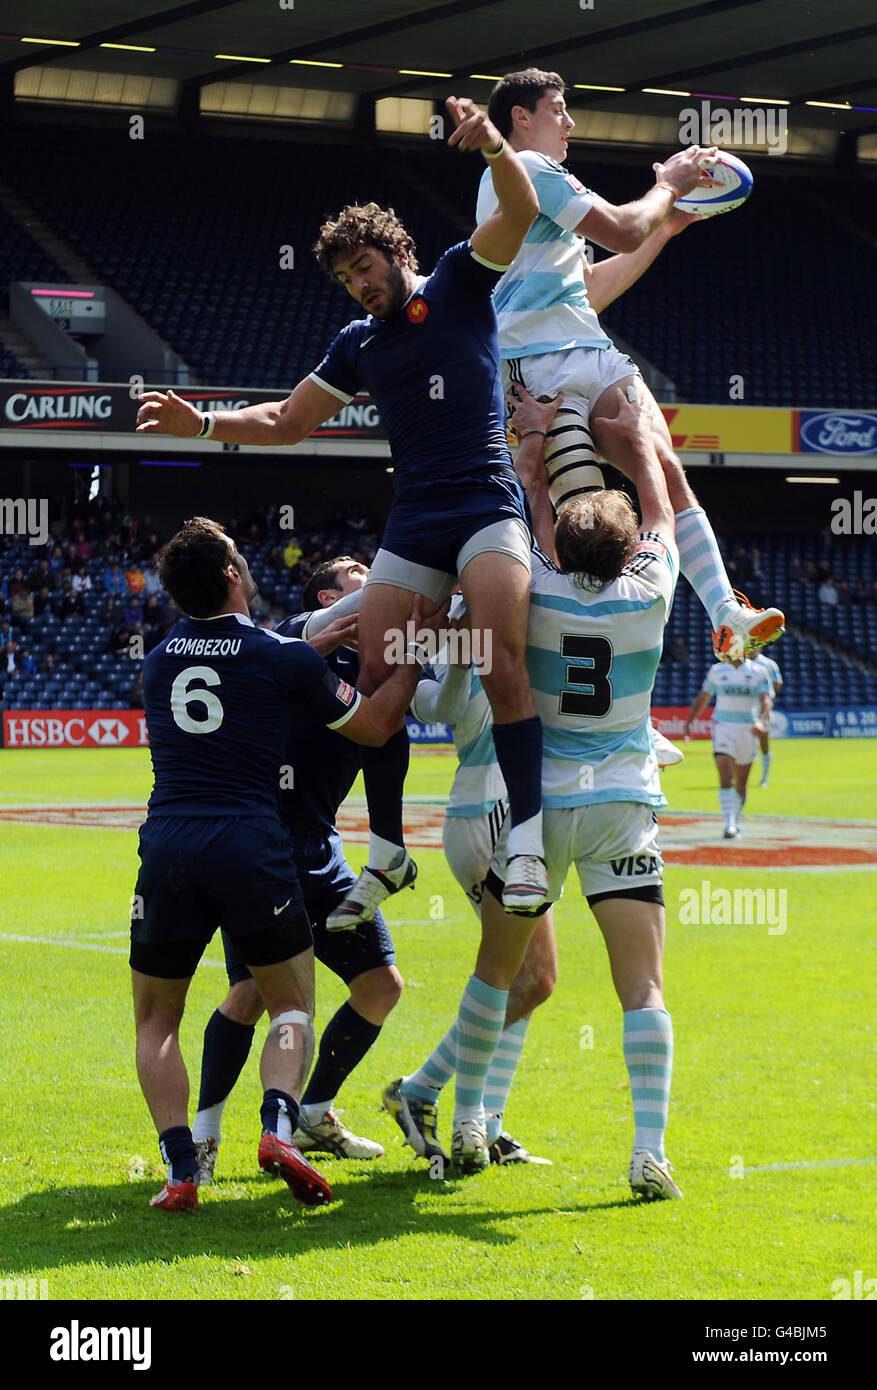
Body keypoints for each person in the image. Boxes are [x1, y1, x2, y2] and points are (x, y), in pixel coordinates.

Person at [135, 94, 551, 924]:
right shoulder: (355, 345)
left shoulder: (462, 283)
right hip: (417, 516)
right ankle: (389, 851)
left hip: (485, 502)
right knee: (371, 673)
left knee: (504, 659)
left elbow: (522, 208)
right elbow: (287, 422)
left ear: (397, 252)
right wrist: (204, 423)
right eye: (345, 278)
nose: (359, 286)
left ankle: (529, 844)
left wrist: (495, 146)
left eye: (365, 267)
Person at [388, 386, 685, 1195]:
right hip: (623, 806)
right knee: (643, 987)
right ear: (626, 554)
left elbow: (515, 543)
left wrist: (528, 457)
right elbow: (660, 516)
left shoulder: (535, 594)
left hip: (536, 811)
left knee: (497, 975)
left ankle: (453, 1113)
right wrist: (641, 448)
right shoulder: (649, 592)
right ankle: (647, 1152)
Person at [129, 516, 435, 1211]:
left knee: (156, 1022)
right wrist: (410, 654)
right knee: (290, 1002)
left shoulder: (158, 660)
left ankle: (182, 1169)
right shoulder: (281, 656)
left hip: (169, 842)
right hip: (253, 845)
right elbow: (377, 724)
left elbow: (235, 678)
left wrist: (302, 651)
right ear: (234, 574)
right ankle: (277, 1127)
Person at [477, 68, 784, 663]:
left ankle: (727, 613)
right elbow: (621, 228)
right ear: (521, 117)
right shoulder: (527, 171)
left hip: (589, 348)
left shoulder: (547, 185)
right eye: (558, 109)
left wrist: (665, 226)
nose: (569, 122)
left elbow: (585, 288)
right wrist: (668, 185)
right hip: (536, 365)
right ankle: (600, 684)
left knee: (665, 469)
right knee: (587, 527)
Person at [191, 555, 407, 1181]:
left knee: (380, 985)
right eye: (352, 570)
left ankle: (313, 1113)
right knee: (254, 992)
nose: (367, 572)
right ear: (325, 593)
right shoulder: (295, 634)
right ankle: (203, 1140)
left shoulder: (383, 656)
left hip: (322, 847)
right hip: (263, 843)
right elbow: (335, 621)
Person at [384, 595, 555, 1167]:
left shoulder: (484, 621)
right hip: (500, 814)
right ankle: (428, 1092)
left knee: (522, 980)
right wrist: (460, 650)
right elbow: (443, 705)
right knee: (531, 980)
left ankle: (484, 1122)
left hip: (476, 820)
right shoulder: (502, 622)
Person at [683, 656, 771, 838]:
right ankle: (729, 823)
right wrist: (690, 721)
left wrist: (761, 722)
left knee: (741, 782)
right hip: (723, 727)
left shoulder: (759, 672)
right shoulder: (717, 670)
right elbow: (704, 696)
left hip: (748, 730)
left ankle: (735, 821)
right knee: (725, 775)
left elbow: (766, 701)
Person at [751, 651, 782, 787]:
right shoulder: (740, 662)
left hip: (762, 707)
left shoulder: (769, 664)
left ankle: (764, 777)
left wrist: (764, 690)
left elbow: (777, 683)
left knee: (764, 744)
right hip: (744, 707)